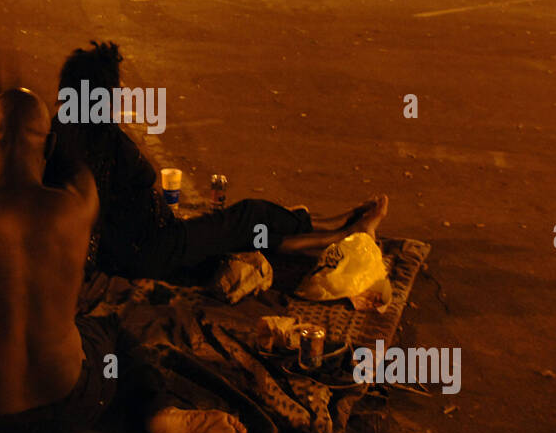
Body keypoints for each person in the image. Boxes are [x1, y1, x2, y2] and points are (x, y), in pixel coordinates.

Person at [0, 88, 246, 433]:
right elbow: (71, 162)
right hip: (78, 404)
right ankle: (153, 411)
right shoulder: (76, 204)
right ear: (50, 144)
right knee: (108, 331)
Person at [49, 41, 387, 283]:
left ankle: (331, 224)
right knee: (249, 216)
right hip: (151, 248)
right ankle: (342, 232)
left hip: (141, 243)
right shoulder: (103, 141)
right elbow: (98, 212)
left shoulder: (63, 131)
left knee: (244, 227)